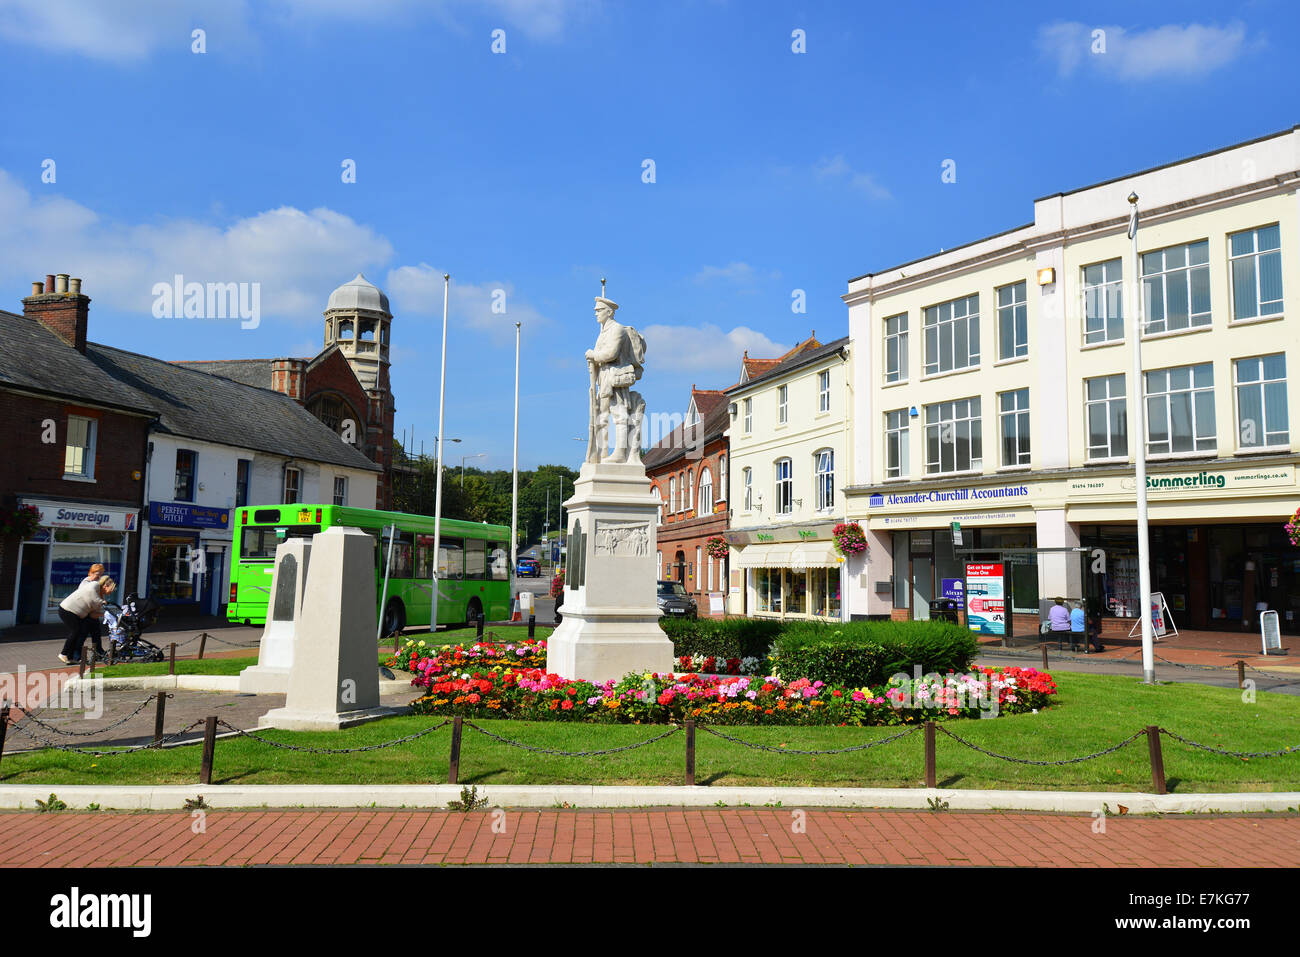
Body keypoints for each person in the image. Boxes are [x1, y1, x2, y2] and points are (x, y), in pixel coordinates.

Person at [57, 575, 114, 663]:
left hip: (76, 614)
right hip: (67, 609)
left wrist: (104, 614)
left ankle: (70, 657)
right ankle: (63, 654)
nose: (111, 592)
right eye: (111, 589)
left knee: (80, 632)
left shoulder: (101, 598)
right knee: (76, 630)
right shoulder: (95, 585)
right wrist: (101, 601)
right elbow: (92, 592)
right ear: (105, 586)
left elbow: (92, 614)